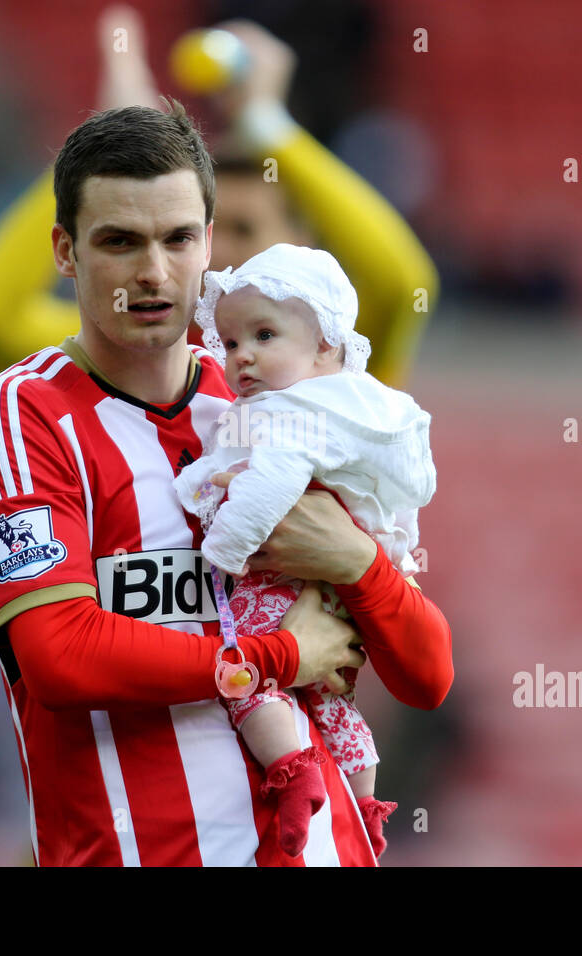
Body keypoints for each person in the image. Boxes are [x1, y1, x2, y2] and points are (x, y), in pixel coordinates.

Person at [0, 100, 453, 866]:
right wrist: (275, 657)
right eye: (119, 241)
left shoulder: (276, 403)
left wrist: (356, 562)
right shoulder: (19, 417)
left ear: (209, 243)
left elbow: (427, 675)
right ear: (65, 251)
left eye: (178, 239)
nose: (153, 272)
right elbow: (62, 656)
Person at [0, 9, 438, 388]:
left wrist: (269, 127)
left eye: (243, 229)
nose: (216, 251)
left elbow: (405, 284)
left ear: (302, 242)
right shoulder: (142, 347)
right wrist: (103, 146)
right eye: (194, 232)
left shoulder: (325, 348)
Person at [174, 243, 436, 859]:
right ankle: (367, 807)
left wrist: (224, 550)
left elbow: (270, 486)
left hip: (279, 582)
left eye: (265, 335)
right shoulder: (352, 405)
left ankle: (291, 775)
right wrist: (392, 563)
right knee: (334, 701)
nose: (243, 357)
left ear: (326, 344)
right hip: (342, 590)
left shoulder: (290, 413)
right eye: (233, 342)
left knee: (247, 679)